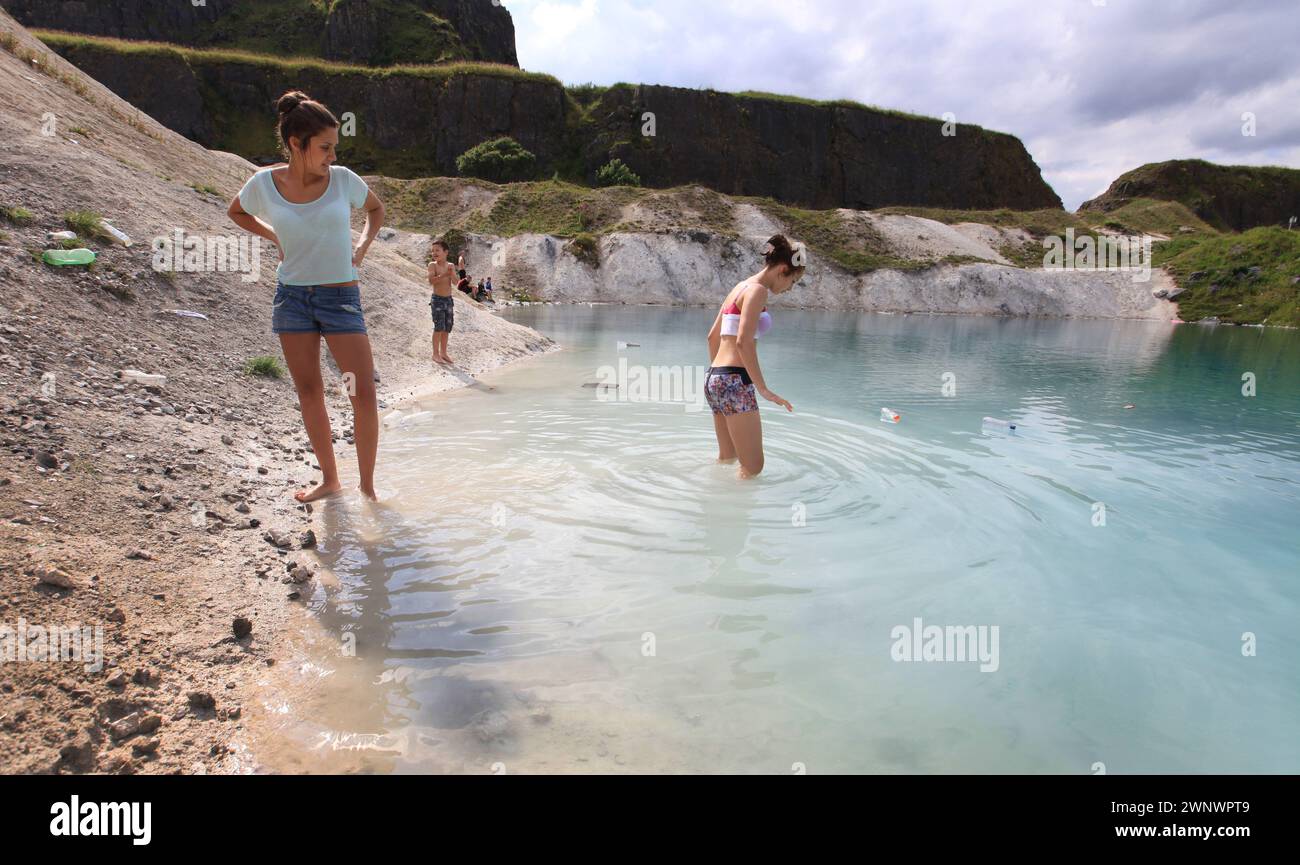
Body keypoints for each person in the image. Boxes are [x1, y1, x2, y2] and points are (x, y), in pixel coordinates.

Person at [227, 90, 386, 502]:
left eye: (335, 147)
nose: (333, 156)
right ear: (297, 144)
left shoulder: (343, 180)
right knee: (310, 391)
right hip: (292, 300)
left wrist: (362, 247)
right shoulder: (264, 184)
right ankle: (330, 480)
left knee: (362, 393)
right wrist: (273, 235)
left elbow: (376, 210)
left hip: (341, 299)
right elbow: (237, 211)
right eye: (325, 147)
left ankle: (368, 490)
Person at [704, 234, 805, 479]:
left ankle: (716, 498)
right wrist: (763, 389)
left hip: (715, 377)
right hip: (734, 380)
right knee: (753, 467)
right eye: (792, 281)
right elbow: (743, 341)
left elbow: (712, 337)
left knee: (728, 458)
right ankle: (734, 504)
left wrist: (718, 379)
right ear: (783, 270)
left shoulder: (740, 287)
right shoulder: (758, 291)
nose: (790, 289)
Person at [427, 240, 457, 364]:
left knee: (447, 328)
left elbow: (455, 282)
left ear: (445, 252)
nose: (434, 253)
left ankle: (443, 353)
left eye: (437, 250)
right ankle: (435, 354)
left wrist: (452, 273)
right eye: (433, 251)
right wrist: (444, 275)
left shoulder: (450, 265)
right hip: (437, 299)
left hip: (448, 300)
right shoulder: (432, 265)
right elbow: (431, 281)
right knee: (439, 327)